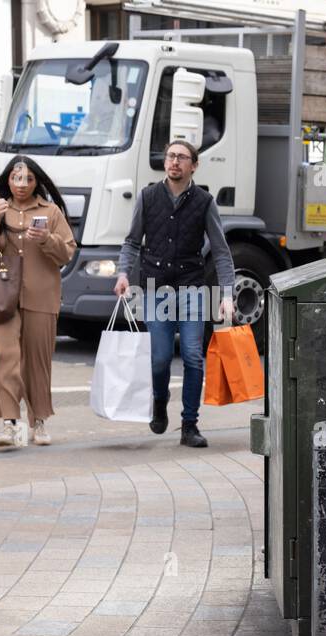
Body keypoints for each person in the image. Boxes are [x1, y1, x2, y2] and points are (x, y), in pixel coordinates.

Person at [114, 139, 236, 449]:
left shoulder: (205, 202)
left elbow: (221, 251)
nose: (175, 162)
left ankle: (189, 425)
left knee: (194, 356)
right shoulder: (148, 197)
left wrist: (227, 293)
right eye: (171, 156)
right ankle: (159, 400)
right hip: (157, 287)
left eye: (182, 157)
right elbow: (131, 241)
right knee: (160, 358)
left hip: (193, 287)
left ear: (194, 165)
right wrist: (123, 273)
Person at [0, 156, 76, 448]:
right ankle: (9, 424)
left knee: (37, 362)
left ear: (36, 181)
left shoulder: (51, 211)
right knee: (4, 357)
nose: (21, 185)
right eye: (16, 178)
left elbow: (67, 253)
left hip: (41, 296)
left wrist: (46, 239)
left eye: (28, 179)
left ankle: (39, 421)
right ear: (8, 179)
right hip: (0, 298)